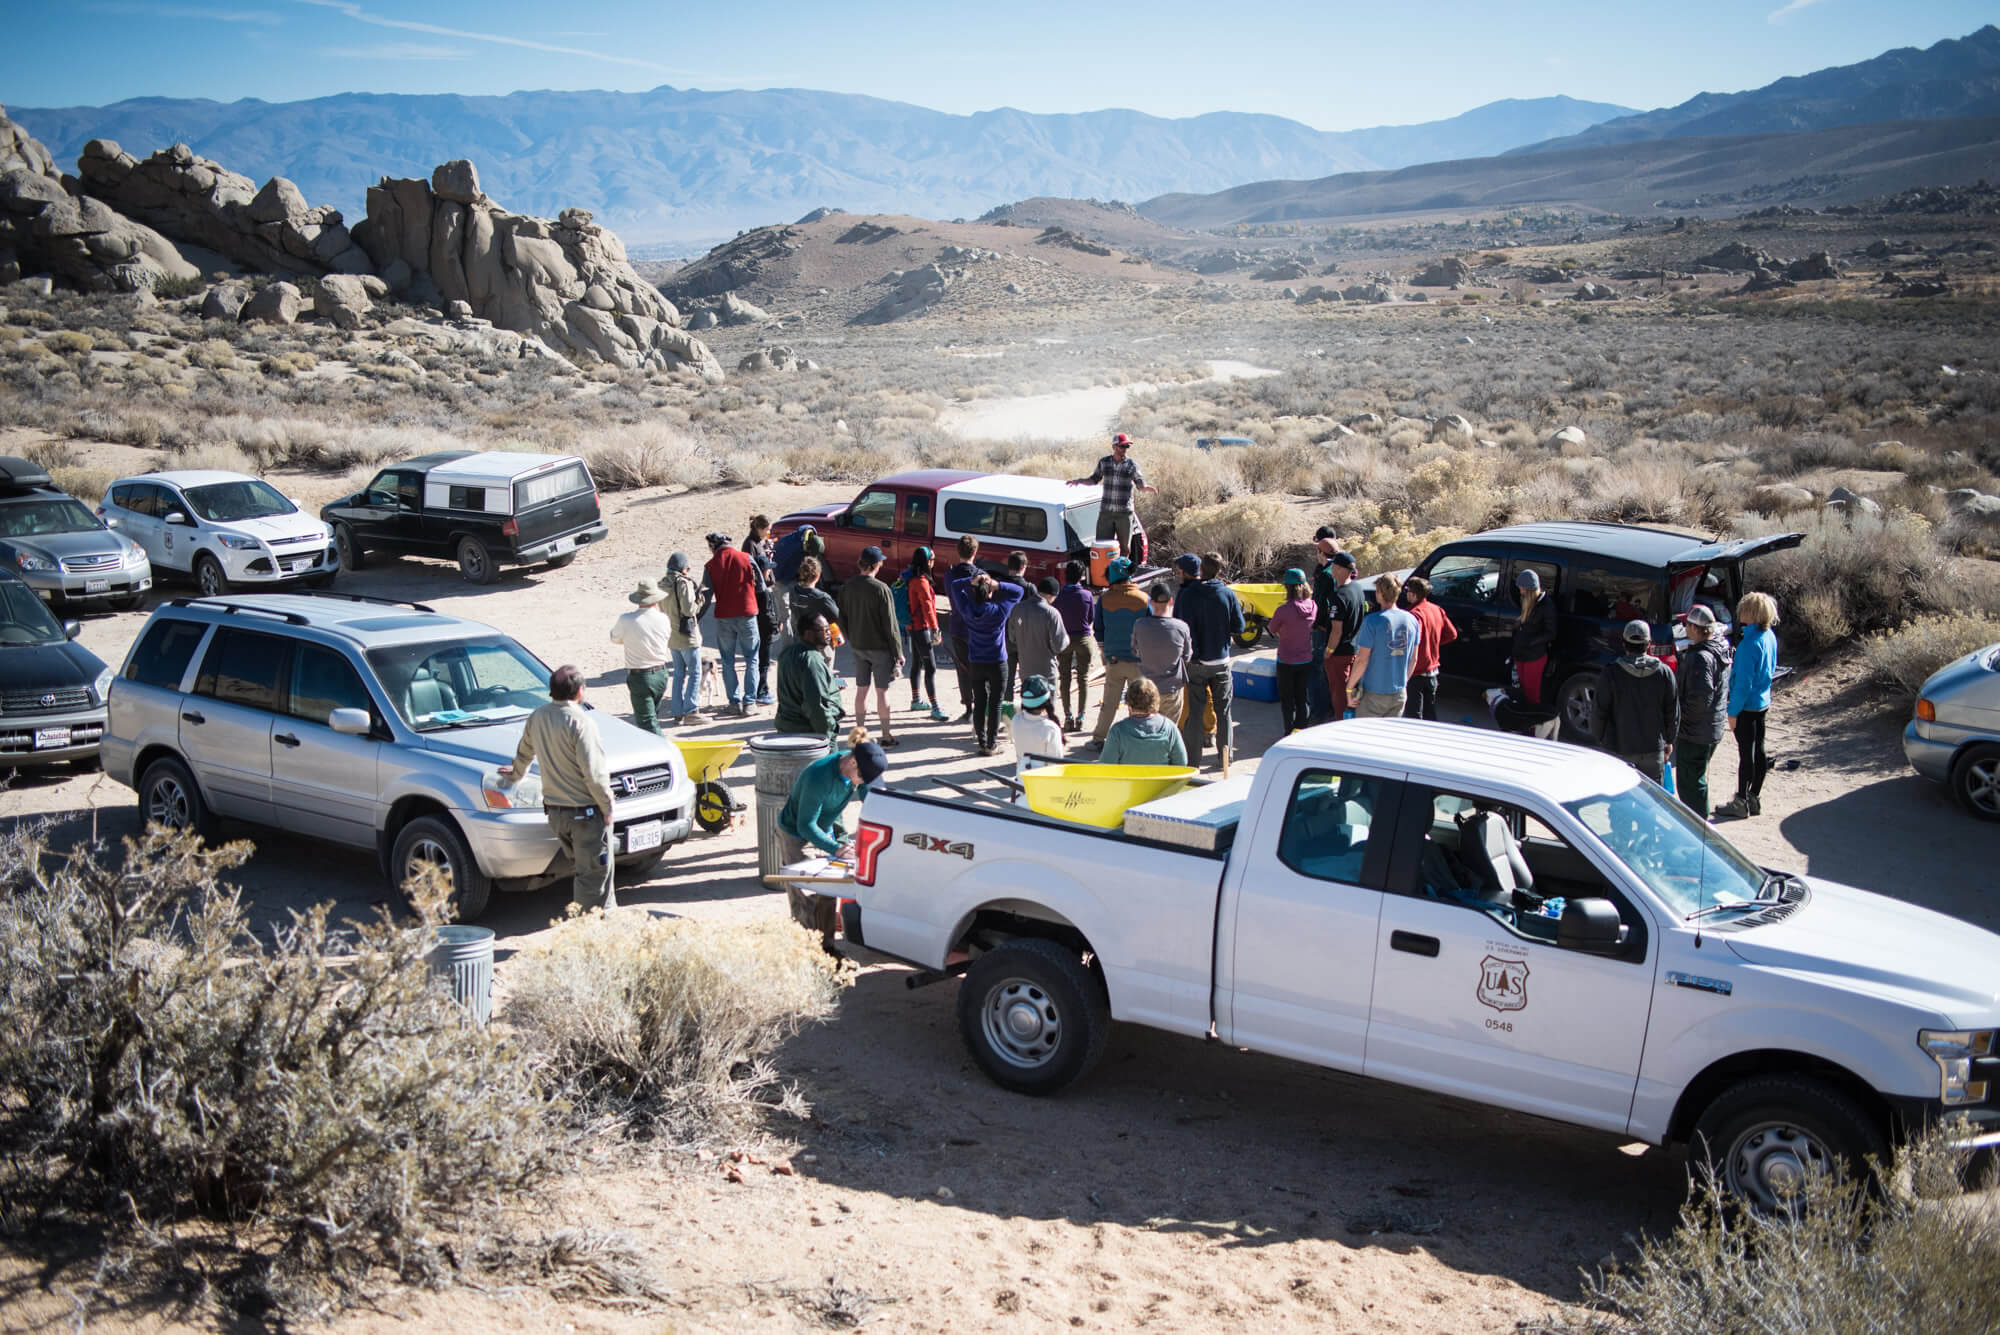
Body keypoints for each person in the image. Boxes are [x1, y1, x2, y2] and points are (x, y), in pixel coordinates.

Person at [499, 665, 616, 911]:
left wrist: (516, 773)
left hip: (556, 813)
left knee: (589, 872)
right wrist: (607, 807)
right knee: (593, 877)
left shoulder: (538, 716)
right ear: (580, 691)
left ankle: (604, 923)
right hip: (585, 814)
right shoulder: (581, 722)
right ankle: (591, 927)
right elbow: (594, 774)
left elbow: (524, 752)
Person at [777, 725, 889, 952]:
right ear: (853, 763)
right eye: (862, 778)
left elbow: (871, 798)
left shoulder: (858, 766)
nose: (862, 783)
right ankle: (806, 952)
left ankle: (828, 950)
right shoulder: (819, 777)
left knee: (828, 891)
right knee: (806, 895)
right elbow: (806, 825)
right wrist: (836, 848)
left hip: (825, 827)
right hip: (796, 832)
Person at [1174, 552, 1245, 764]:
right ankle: (1225, 758)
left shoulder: (1187, 595)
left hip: (1195, 662)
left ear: (1201, 569)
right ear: (1220, 570)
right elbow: (1239, 627)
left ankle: (1192, 761)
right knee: (1224, 712)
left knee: (1195, 713)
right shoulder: (1227, 594)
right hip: (1220, 662)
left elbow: (1177, 625)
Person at [1715, 592, 1780, 820]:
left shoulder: (1749, 644)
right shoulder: (1769, 636)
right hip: (1762, 702)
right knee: (1758, 749)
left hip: (1747, 706)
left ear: (1751, 613)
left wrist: (1732, 712)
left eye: (1743, 608)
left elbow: (1743, 683)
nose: (1739, 611)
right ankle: (1754, 796)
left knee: (1746, 754)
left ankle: (1741, 800)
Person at [1589, 619, 1679, 783]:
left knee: (1620, 795)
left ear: (1624, 644)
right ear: (1649, 644)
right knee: (1650, 798)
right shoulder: (1664, 673)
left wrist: (1600, 739)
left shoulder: (1611, 673)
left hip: (1619, 750)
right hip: (1653, 751)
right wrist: (1669, 741)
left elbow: (1599, 712)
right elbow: (1672, 713)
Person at [949, 570, 1024, 756]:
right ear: (990, 591)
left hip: (976, 661)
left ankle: (982, 742)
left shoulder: (967, 609)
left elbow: (955, 586)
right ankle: (991, 744)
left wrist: (971, 580)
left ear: (974, 590)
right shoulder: (1000, 610)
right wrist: (997, 584)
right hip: (997, 661)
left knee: (980, 702)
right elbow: (1019, 591)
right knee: (996, 703)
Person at [837, 545, 905, 746]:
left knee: (861, 690)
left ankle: (859, 735)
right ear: (877, 565)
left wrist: (852, 637)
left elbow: (842, 618)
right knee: (882, 691)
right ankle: (886, 735)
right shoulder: (881, 589)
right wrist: (898, 652)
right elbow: (891, 625)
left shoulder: (847, 586)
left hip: (858, 646)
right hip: (880, 649)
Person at [1674, 604, 1733, 819]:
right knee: (1697, 778)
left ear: (1695, 628)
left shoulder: (1700, 657)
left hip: (1696, 732)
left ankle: (1698, 827)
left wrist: (1681, 721)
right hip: (1711, 727)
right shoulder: (1720, 647)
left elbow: (1701, 698)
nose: (1684, 628)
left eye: (1686, 624)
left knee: (1690, 784)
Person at [1088, 558, 1149, 749]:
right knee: (1139, 704)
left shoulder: (1105, 600)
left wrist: (1104, 652)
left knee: (1109, 703)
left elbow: (1098, 629)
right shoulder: (1143, 599)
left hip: (1114, 660)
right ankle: (1137, 740)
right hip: (1139, 662)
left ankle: (1099, 739)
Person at [701, 532, 761, 717]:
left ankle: (734, 703)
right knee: (752, 658)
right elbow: (761, 585)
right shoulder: (746, 558)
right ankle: (750, 703)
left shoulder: (711, 565)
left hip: (724, 617)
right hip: (747, 614)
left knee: (727, 661)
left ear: (712, 547)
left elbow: (706, 597)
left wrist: (696, 618)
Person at [1069, 432, 1156, 559]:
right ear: (1114, 446)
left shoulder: (1132, 465)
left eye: (1127, 446)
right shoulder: (1104, 462)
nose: (1125, 449)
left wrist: (1146, 488)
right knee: (1102, 546)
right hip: (1106, 513)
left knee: (1125, 549)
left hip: (1124, 513)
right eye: (1122, 446)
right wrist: (1079, 481)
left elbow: (1140, 483)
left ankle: (1121, 570)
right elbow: (1094, 479)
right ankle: (1104, 569)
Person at [1347, 574, 1420, 718]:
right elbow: (1414, 659)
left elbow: (1362, 660)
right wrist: (1403, 682)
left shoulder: (1372, 621)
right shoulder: (1412, 620)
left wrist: (1349, 688)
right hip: (1399, 692)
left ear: (1379, 593)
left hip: (1374, 693)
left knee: (1366, 731)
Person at [609, 579, 675, 735]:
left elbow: (614, 638)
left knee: (647, 723)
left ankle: (663, 747)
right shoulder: (663, 619)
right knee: (653, 717)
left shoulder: (626, 619)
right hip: (661, 673)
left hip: (640, 675)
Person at [1131, 580, 1192, 730]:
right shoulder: (1182, 627)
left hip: (1146, 690)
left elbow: (1134, 650)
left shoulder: (1139, 625)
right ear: (1171, 601)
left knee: (1146, 731)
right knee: (1169, 731)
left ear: (1151, 602)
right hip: (1172, 689)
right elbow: (1187, 656)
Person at [775, 612, 843, 742]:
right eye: (824, 630)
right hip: (809, 734)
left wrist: (831, 686)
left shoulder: (787, 652)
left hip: (787, 728)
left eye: (829, 629)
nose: (829, 634)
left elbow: (797, 685)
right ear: (808, 633)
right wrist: (828, 734)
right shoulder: (812, 661)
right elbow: (816, 705)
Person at [1400, 575, 1459, 722]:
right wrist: (1434, 643)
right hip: (1433, 672)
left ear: (1414, 594)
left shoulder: (1413, 615)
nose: (1406, 594)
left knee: (1413, 716)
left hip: (1416, 672)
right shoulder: (1437, 609)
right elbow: (1452, 634)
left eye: (1407, 591)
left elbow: (1410, 641)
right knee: (1430, 715)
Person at [899, 546, 947, 721]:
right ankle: (935, 707)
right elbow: (928, 608)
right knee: (931, 667)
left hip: (912, 627)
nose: (934, 562)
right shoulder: (921, 582)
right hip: (921, 628)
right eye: (932, 559)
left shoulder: (910, 577)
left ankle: (916, 700)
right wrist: (935, 629)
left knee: (917, 663)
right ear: (927, 562)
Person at [1271, 568, 1318, 735]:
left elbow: (1272, 628)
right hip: (1305, 659)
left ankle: (1288, 732)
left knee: (1287, 700)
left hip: (1286, 660)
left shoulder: (1283, 610)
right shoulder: (1313, 606)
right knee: (1301, 698)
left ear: (1287, 588)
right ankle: (1301, 730)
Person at [1320, 551, 1368, 718]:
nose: (1331, 568)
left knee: (1339, 693)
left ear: (1340, 569)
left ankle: (1341, 723)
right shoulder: (1357, 588)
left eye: (1334, 565)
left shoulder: (1338, 596)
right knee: (1351, 691)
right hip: (1355, 649)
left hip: (1340, 654)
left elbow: (1336, 630)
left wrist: (1329, 651)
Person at [1100, 677, 1188, 766]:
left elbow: (1106, 765)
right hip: (1159, 775)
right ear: (1155, 700)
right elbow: (1181, 763)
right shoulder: (1170, 728)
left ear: (1128, 701)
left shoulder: (1117, 731)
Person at [1053, 560, 1098, 733]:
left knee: (1064, 678)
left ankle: (1068, 715)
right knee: (1083, 678)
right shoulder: (1086, 595)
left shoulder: (1059, 596)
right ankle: (1081, 716)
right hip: (1083, 638)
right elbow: (1091, 618)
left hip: (1064, 639)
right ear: (1082, 576)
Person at [1009, 576, 1070, 700]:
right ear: (1052, 595)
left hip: (1026, 671)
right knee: (1048, 709)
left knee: (1030, 706)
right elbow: (1059, 645)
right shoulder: (1051, 613)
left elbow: (1012, 638)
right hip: (1046, 672)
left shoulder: (1017, 609)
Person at [661, 552, 703, 724]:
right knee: (695, 673)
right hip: (687, 636)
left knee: (678, 674)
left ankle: (677, 711)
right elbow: (688, 610)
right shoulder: (683, 583)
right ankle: (691, 710)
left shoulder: (662, 584)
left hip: (671, 636)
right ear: (683, 568)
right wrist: (699, 601)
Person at [1306, 526, 1342, 720]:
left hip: (1323, 630)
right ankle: (1330, 707)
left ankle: (1318, 712)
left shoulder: (1326, 575)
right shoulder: (1343, 568)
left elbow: (1318, 604)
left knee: (1317, 671)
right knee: (1330, 671)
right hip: (1337, 628)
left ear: (1322, 553)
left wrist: (1311, 624)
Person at [769, 523, 824, 648]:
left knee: (796, 613)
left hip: (793, 578)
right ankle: (789, 649)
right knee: (785, 616)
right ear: (807, 546)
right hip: (781, 580)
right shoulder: (790, 547)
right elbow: (777, 569)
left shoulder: (808, 541)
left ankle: (798, 643)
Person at [742, 517, 778, 707]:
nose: (769, 532)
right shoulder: (750, 545)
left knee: (761, 653)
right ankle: (760, 691)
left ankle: (759, 689)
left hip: (760, 599)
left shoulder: (757, 543)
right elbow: (752, 571)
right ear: (760, 528)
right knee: (762, 652)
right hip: (759, 602)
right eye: (767, 529)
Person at [945, 535, 981, 723]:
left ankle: (968, 706)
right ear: (975, 552)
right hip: (977, 627)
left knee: (963, 668)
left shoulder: (950, 575)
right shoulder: (981, 575)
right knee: (981, 667)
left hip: (958, 625)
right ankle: (981, 704)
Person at [1009, 673, 1066, 786]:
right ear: (1047, 701)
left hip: (1022, 781)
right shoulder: (1050, 728)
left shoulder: (1016, 720)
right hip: (1044, 786)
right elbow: (1056, 763)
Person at [1511, 569, 1557, 705]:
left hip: (1534, 656)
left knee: (1532, 693)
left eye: (1522, 588)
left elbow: (1551, 633)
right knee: (1523, 690)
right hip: (1521, 654)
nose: (1520, 591)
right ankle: (1524, 715)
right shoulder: (1526, 600)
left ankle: (1532, 717)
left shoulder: (1547, 606)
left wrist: (1531, 642)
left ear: (1529, 589)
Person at [790, 556, 840, 656]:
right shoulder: (822, 598)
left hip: (801, 639)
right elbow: (836, 616)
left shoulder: (793, 592)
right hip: (820, 643)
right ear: (818, 576)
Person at [1002, 550, 1031, 700]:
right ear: (1023, 566)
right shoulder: (1029, 588)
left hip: (1005, 636)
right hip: (1025, 638)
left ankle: (1007, 709)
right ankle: (1029, 707)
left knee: (1007, 679)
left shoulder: (1001, 585)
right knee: (1028, 677)